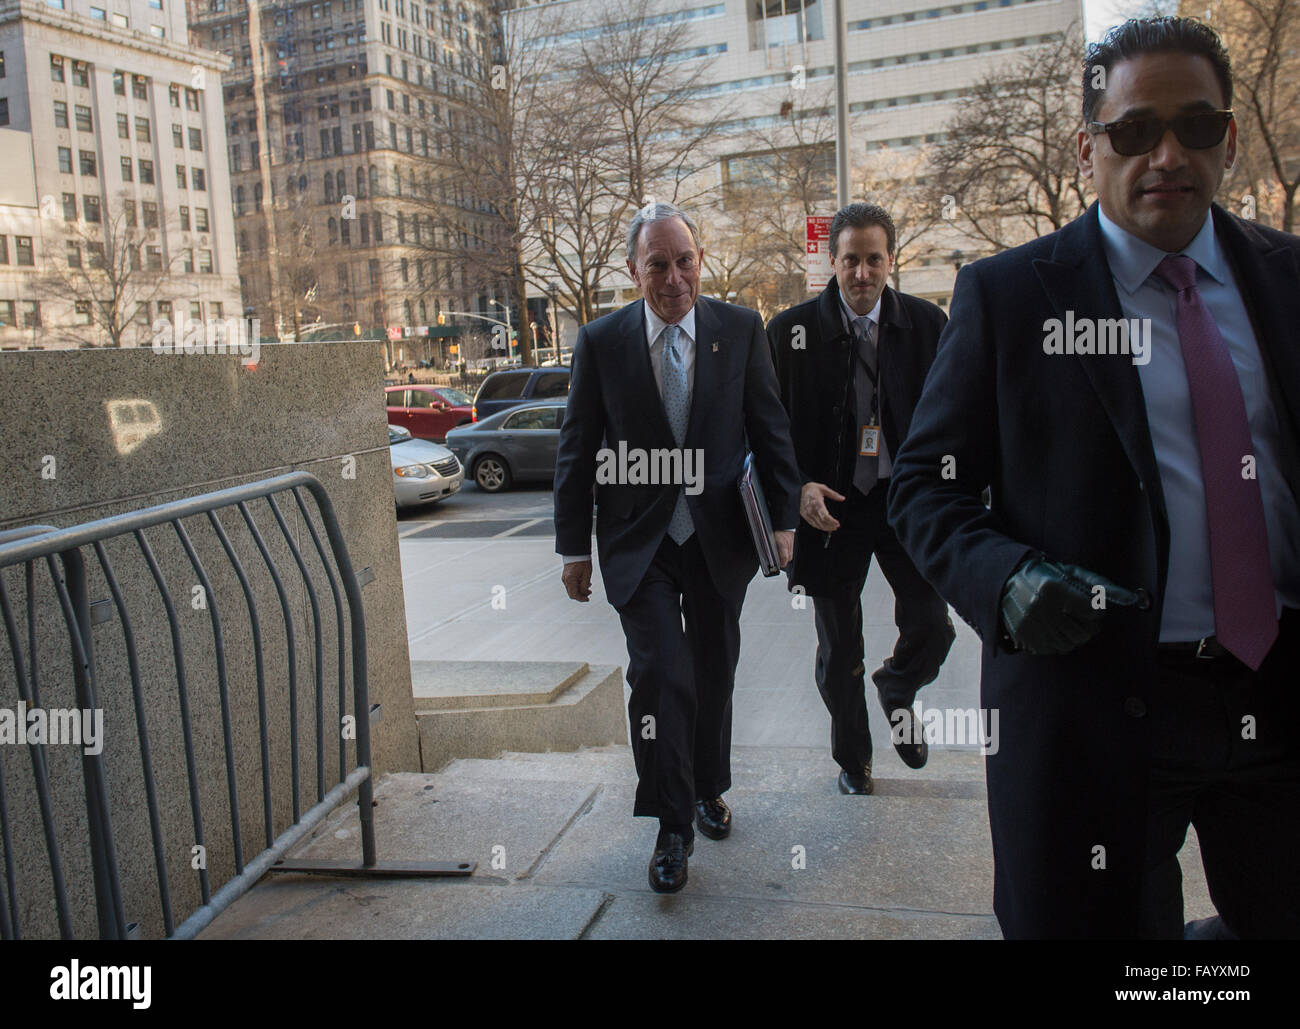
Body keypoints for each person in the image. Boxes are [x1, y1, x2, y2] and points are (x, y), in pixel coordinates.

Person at [888, 16, 1300, 938]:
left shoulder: (1286, 279)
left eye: (1195, 126)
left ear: (1229, 139)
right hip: (1094, 711)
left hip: (1275, 702)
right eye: (1132, 131)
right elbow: (924, 486)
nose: (1166, 154)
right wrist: (1008, 578)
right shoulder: (1008, 294)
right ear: (1087, 148)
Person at [554, 202, 802, 893]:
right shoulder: (601, 342)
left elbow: (769, 426)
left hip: (720, 538)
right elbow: (577, 448)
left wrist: (784, 519)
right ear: (632, 269)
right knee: (663, 675)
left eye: (684, 260)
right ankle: (670, 825)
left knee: (715, 671)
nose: (673, 277)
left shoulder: (740, 329)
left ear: (701, 260)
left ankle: (707, 785)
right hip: (642, 542)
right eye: (657, 264)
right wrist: (573, 545)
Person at [767, 203, 955, 795]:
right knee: (840, 648)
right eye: (850, 259)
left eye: (874, 259)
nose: (863, 273)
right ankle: (854, 759)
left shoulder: (928, 325)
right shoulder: (789, 333)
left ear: (890, 260)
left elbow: (957, 417)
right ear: (833, 262)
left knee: (933, 624)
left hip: (904, 502)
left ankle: (898, 685)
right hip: (830, 508)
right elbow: (764, 427)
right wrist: (795, 487)